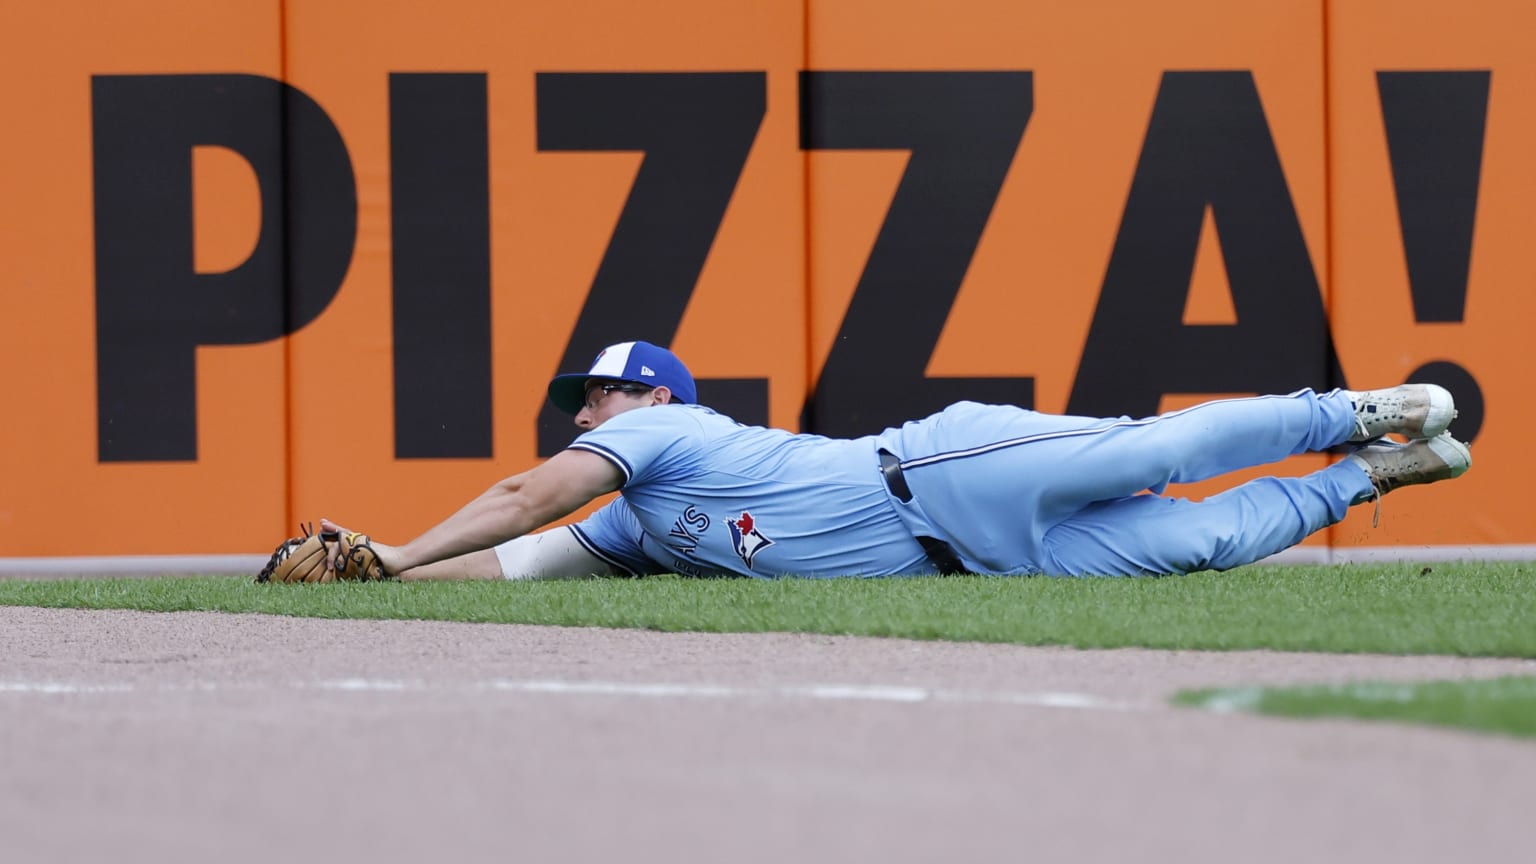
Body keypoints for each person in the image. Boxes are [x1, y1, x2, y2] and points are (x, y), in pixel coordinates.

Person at [320, 340, 1472, 581]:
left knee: (1157, 448)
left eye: (599, 393)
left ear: (655, 396)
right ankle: (1370, 475)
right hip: (977, 564)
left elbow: (524, 498)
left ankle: (1353, 411)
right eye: (583, 400)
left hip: (945, 472)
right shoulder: (633, 524)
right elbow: (515, 561)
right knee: (1206, 538)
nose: (585, 412)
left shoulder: (661, 432)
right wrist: (383, 570)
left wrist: (405, 546)